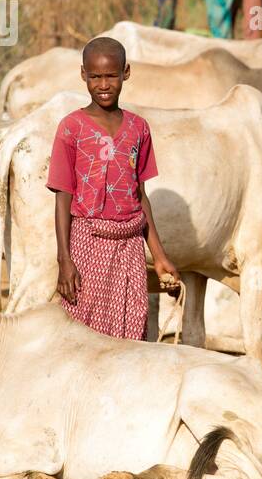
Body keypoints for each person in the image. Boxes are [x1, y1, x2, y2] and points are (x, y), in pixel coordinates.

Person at [46, 36, 179, 339]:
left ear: (125, 73)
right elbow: (62, 198)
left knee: (131, 333)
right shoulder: (72, 127)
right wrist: (64, 260)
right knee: (81, 335)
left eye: (110, 76)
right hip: (87, 243)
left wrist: (158, 256)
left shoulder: (138, 128)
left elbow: (140, 196)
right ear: (84, 75)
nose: (103, 84)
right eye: (95, 77)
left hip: (130, 247)